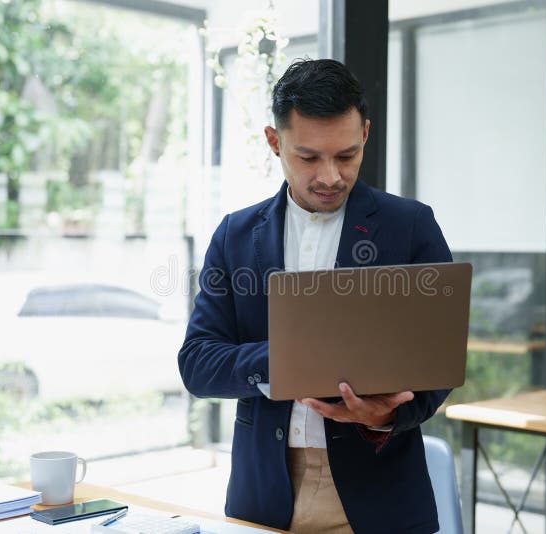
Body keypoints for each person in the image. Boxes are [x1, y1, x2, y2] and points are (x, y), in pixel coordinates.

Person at [178, 58, 452, 534]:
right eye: (308, 157)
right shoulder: (235, 235)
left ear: (365, 133)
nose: (330, 176)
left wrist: (385, 415)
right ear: (274, 141)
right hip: (264, 492)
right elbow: (198, 363)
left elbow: (440, 357)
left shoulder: (410, 227)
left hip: (380, 497)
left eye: (346, 155)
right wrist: (290, 359)